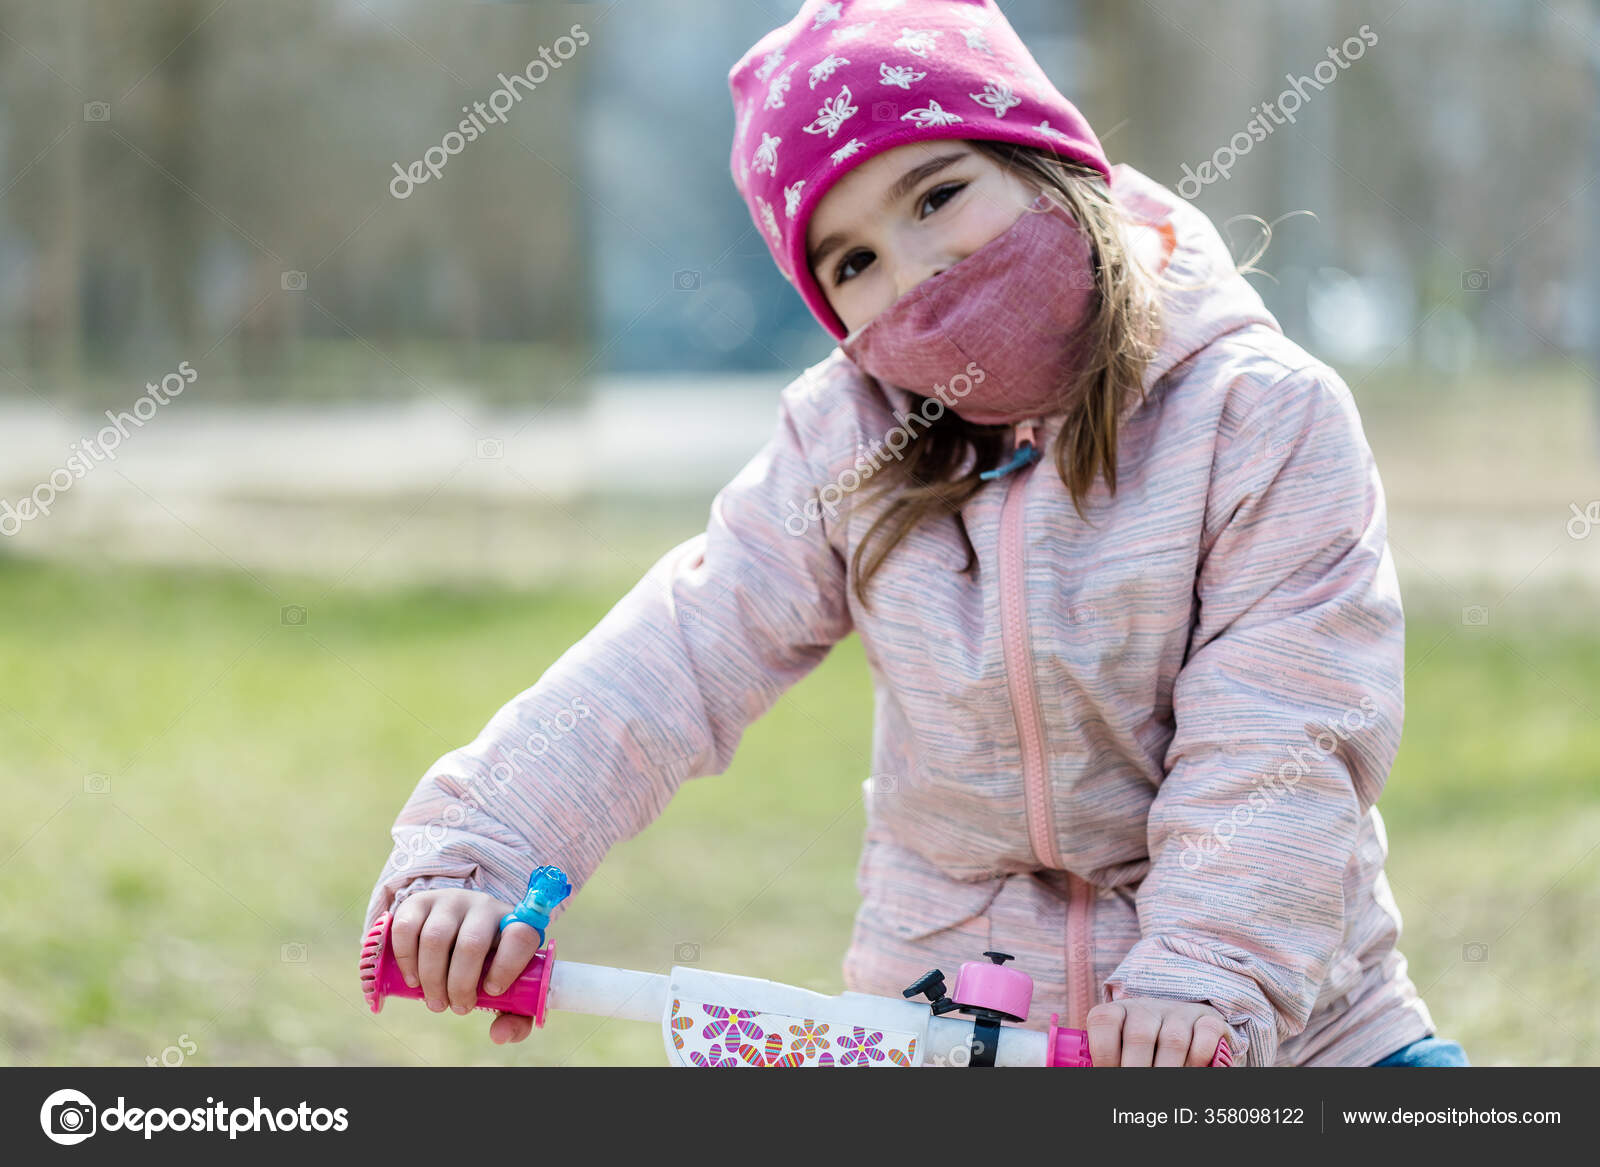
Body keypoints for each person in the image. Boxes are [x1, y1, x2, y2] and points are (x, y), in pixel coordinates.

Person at [362, 0, 1467, 1067]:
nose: (915, 271)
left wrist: (1202, 974)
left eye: (936, 195)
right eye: (852, 262)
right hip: (951, 1029)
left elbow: (1282, 727)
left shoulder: (1259, 415)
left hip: (1287, 1032)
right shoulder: (850, 441)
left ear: (1047, 166)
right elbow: (675, 655)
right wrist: (482, 853)